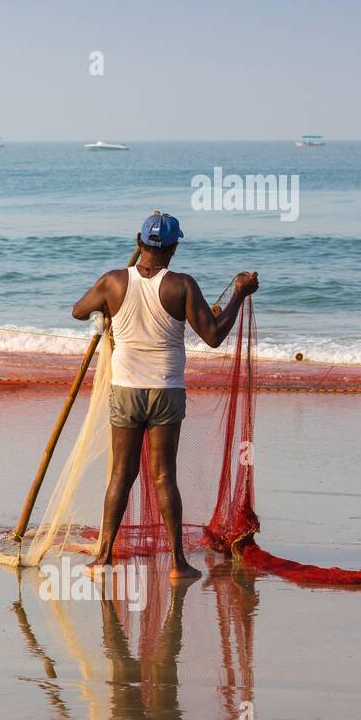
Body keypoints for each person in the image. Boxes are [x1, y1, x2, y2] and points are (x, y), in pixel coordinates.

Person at [71, 211, 257, 578]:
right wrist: (238, 293)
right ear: (172, 250)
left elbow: (78, 311)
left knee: (121, 474)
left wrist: (106, 311)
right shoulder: (182, 285)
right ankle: (177, 564)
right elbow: (214, 335)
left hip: (125, 389)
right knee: (163, 476)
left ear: (139, 243)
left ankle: (104, 556)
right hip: (166, 391)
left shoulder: (113, 281)